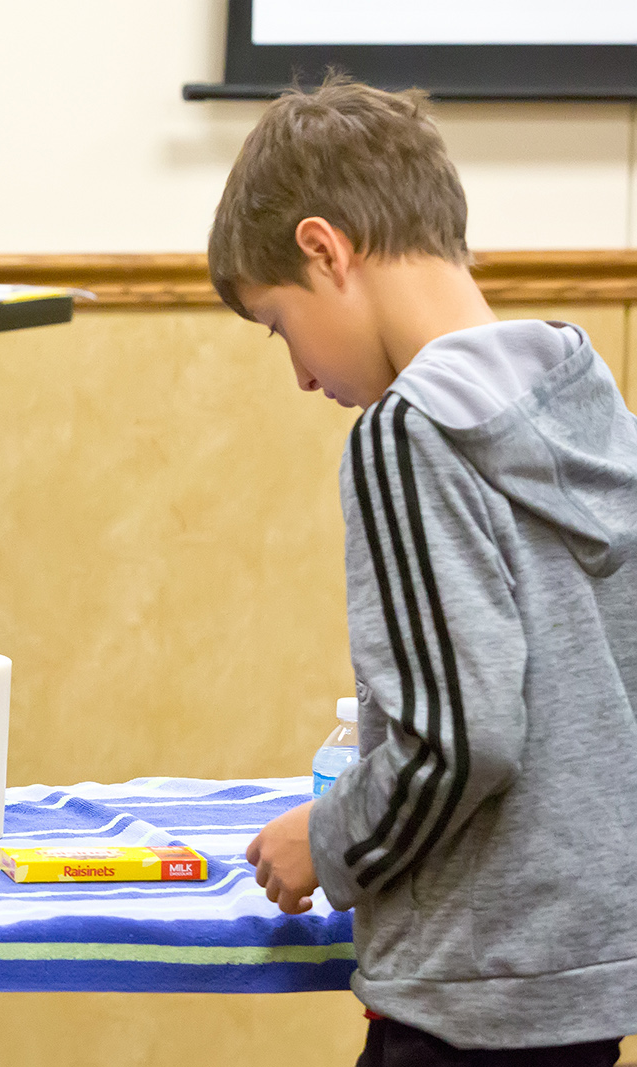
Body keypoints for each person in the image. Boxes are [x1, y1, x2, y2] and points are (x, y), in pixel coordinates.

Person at [223, 77, 637, 1066]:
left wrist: (326, 841)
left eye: (280, 325)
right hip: (583, 975)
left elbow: (460, 739)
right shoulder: (584, 396)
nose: (301, 376)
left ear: (325, 250)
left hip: (470, 988)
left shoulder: (407, 432)